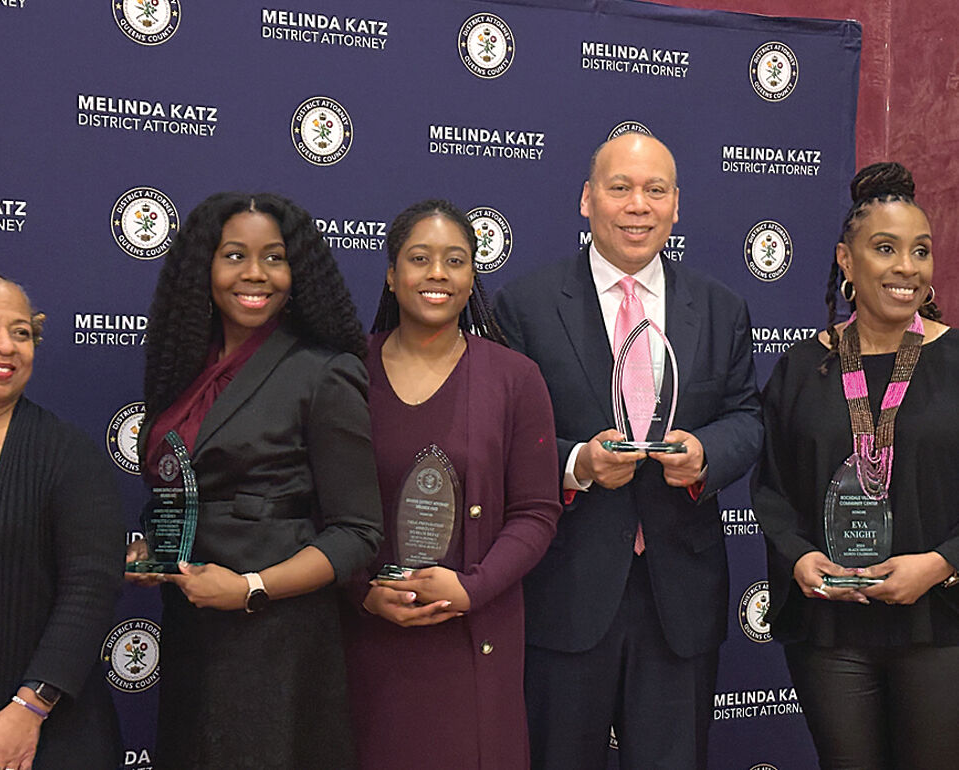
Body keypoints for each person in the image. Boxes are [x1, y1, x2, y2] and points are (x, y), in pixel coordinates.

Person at [494, 133, 763, 769]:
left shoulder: (721, 308)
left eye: (655, 190)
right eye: (620, 188)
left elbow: (747, 417)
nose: (637, 205)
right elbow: (503, 434)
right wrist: (575, 463)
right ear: (587, 201)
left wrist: (705, 455)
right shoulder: (526, 305)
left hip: (681, 593)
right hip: (567, 587)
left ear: (676, 206)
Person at [126, 192, 383, 768]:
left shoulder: (323, 372)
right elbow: (189, 491)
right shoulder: (185, 367)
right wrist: (159, 549)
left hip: (278, 643)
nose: (254, 274)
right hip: (194, 632)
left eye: (274, 257)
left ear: (297, 272)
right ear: (204, 267)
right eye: (234, 255)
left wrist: (250, 588)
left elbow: (357, 532)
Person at [751, 162, 959, 769]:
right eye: (885, 249)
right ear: (846, 260)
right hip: (832, 632)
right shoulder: (800, 368)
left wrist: (940, 564)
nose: (906, 268)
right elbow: (771, 489)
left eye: (920, 251)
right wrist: (798, 558)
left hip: (941, 625)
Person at [341, 199, 562, 769]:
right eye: (420, 258)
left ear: (471, 279)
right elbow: (318, 506)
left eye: (455, 260)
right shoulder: (343, 375)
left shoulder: (515, 378)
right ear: (392, 275)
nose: (437, 273)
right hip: (367, 642)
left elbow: (536, 513)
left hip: (474, 642)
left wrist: (474, 587)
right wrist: (361, 591)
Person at [0, 260, 124, 770]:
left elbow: (89, 591)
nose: (6, 345)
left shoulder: (66, 454)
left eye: (22, 333)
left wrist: (28, 707)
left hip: (18, 733)